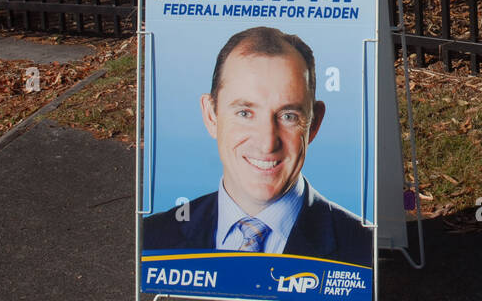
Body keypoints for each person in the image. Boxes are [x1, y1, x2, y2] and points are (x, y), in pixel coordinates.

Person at [143, 26, 372, 268]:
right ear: (211, 116)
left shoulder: (361, 248)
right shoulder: (155, 237)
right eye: (245, 113)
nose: (266, 143)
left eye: (288, 116)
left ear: (313, 124)